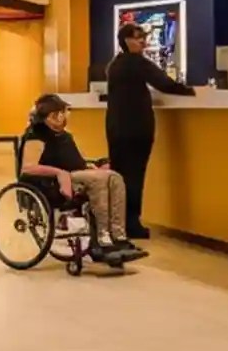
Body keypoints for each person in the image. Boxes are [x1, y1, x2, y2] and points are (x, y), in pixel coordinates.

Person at [19, 94, 147, 263]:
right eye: (62, 112)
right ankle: (102, 238)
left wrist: (93, 166)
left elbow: (75, 162)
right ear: (51, 116)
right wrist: (59, 173)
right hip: (51, 183)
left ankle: (119, 235)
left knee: (114, 177)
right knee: (98, 180)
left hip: (76, 175)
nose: (66, 116)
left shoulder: (63, 136)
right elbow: (28, 167)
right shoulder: (36, 136)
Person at [106, 23, 195, 240]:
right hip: (136, 128)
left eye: (144, 38)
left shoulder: (114, 65)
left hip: (115, 127)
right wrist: (193, 92)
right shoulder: (138, 63)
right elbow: (165, 84)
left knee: (119, 176)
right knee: (135, 176)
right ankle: (132, 224)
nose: (143, 42)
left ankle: (117, 222)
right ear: (126, 41)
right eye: (138, 38)